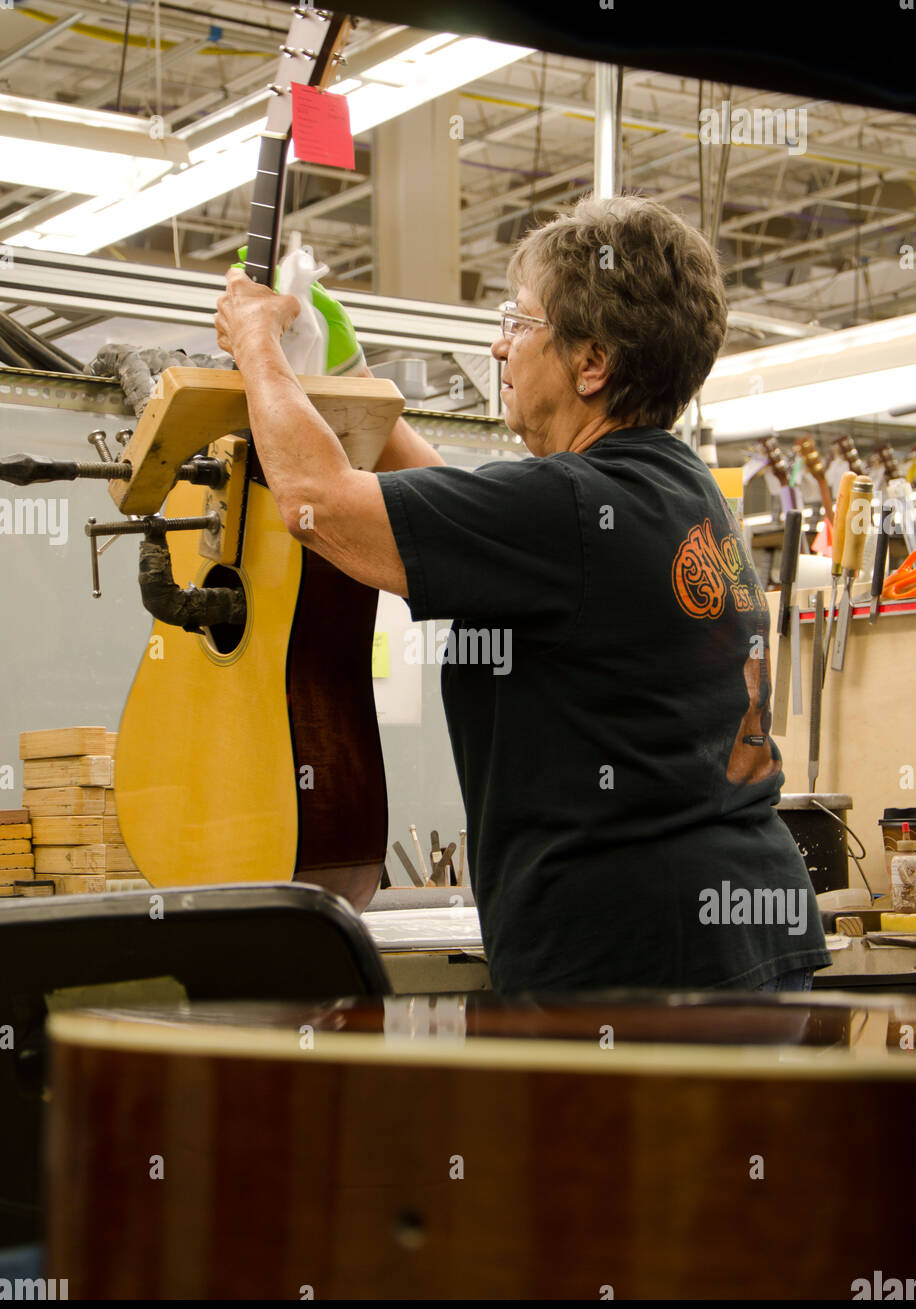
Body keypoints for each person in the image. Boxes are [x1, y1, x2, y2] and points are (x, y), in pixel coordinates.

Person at [215, 193, 831, 996]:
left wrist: (257, 347)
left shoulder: (574, 507)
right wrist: (346, 377)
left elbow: (316, 503)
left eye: (521, 321)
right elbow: (461, 523)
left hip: (637, 968)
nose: (501, 347)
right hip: (739, 937)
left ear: (592, 362)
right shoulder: (675, 490)